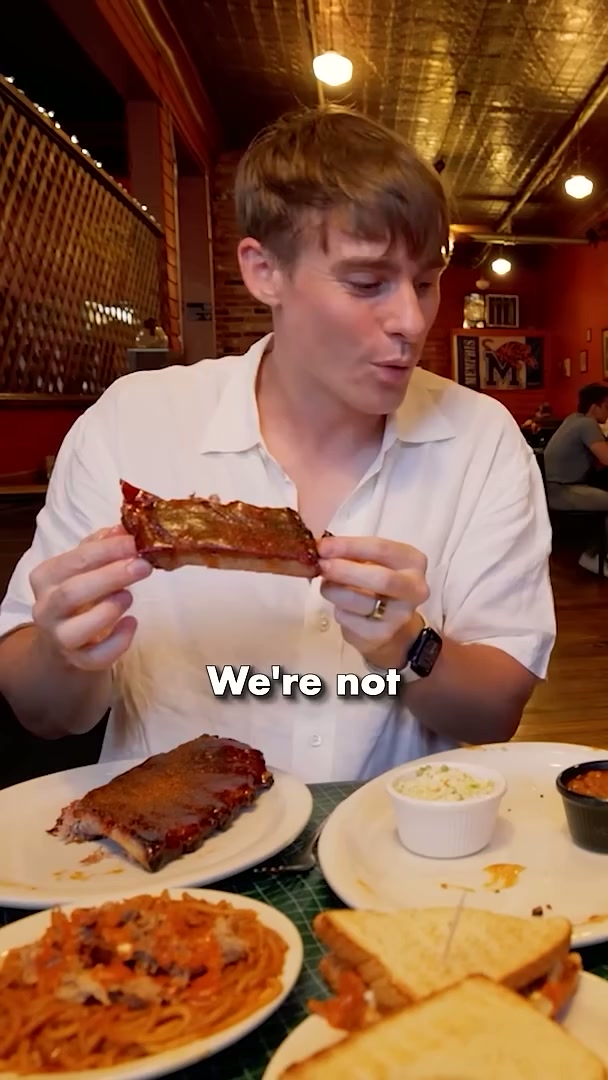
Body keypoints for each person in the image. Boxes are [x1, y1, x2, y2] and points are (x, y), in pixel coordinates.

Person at [0, 105, 555, 783]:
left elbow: (494, 714)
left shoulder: (481, 440)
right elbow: (42, 713)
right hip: (164, 859)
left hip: (389, 849)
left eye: (425, 282)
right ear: (265, 272)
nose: (411, 320)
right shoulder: (134, 422)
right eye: (367, 282)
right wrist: (62, 653)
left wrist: (407, 642)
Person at [544, 383, 608, 574]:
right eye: (606, 406)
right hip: (563, 491)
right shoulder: (587, 424)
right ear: (594, 407)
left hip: (550, 490)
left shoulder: (572, 419)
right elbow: (606, 458)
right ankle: (593, 556)